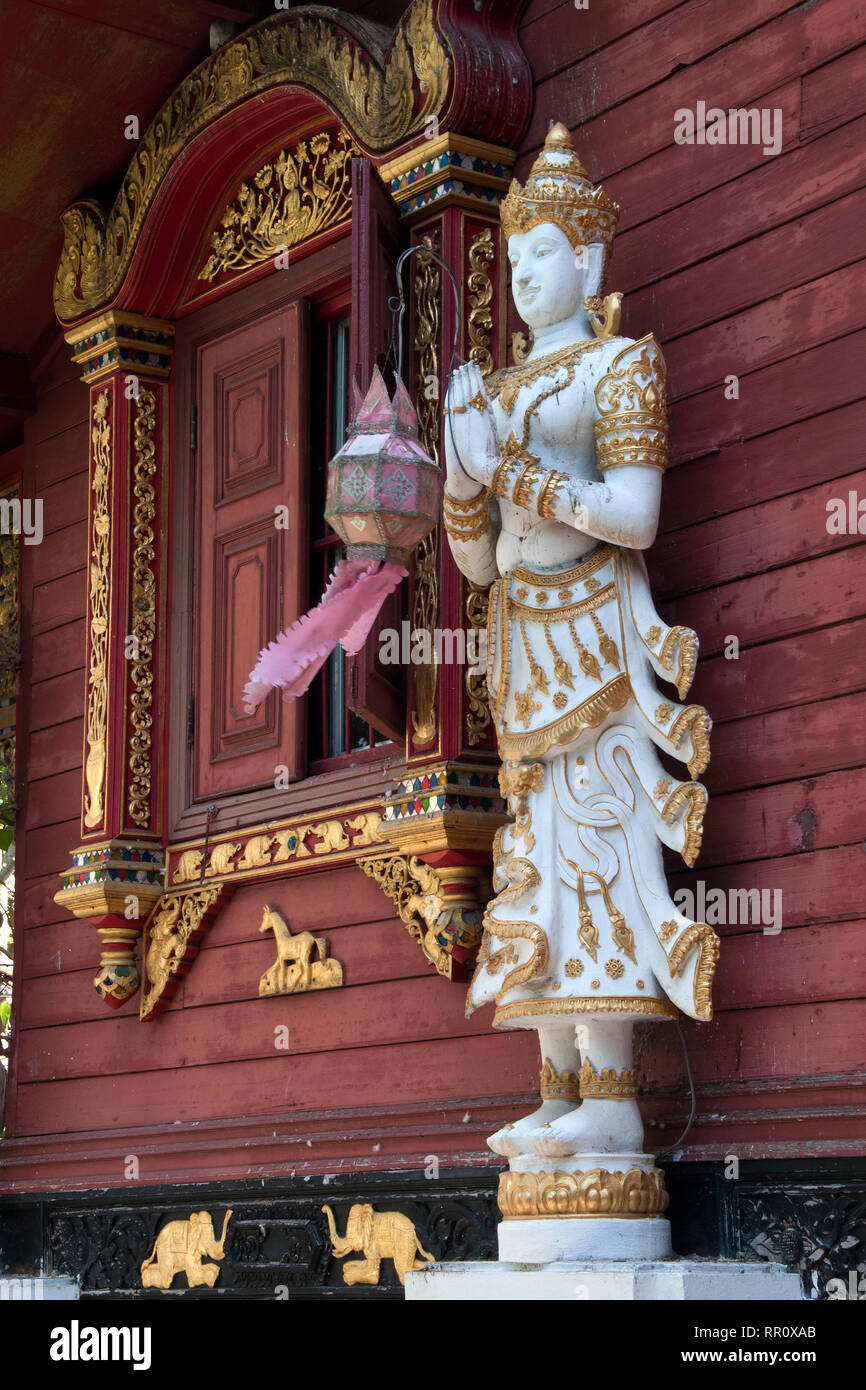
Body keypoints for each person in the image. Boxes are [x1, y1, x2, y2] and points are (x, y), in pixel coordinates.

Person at [442, 123, 719, 1162]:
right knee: (534, 860)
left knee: (598, 849)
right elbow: (474, 564)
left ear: (589, 261)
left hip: (596, 645)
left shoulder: (618, 369)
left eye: (543, 254)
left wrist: (504, 468)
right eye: (512, 261)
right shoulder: (501, 389)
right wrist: (463, 482)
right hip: (519, 647)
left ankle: (611, 1095)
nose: (524, 276)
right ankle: (556, 1084)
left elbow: (634, 515)